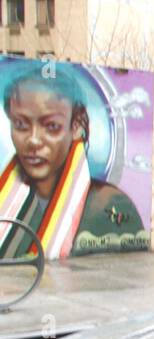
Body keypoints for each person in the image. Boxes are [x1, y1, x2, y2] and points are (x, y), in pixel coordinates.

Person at [0, 62, 146, 259]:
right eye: (20, 124)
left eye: (51, 126)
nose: (33, 140)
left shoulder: (109, 204)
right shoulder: (7, 198)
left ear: (76, 126)